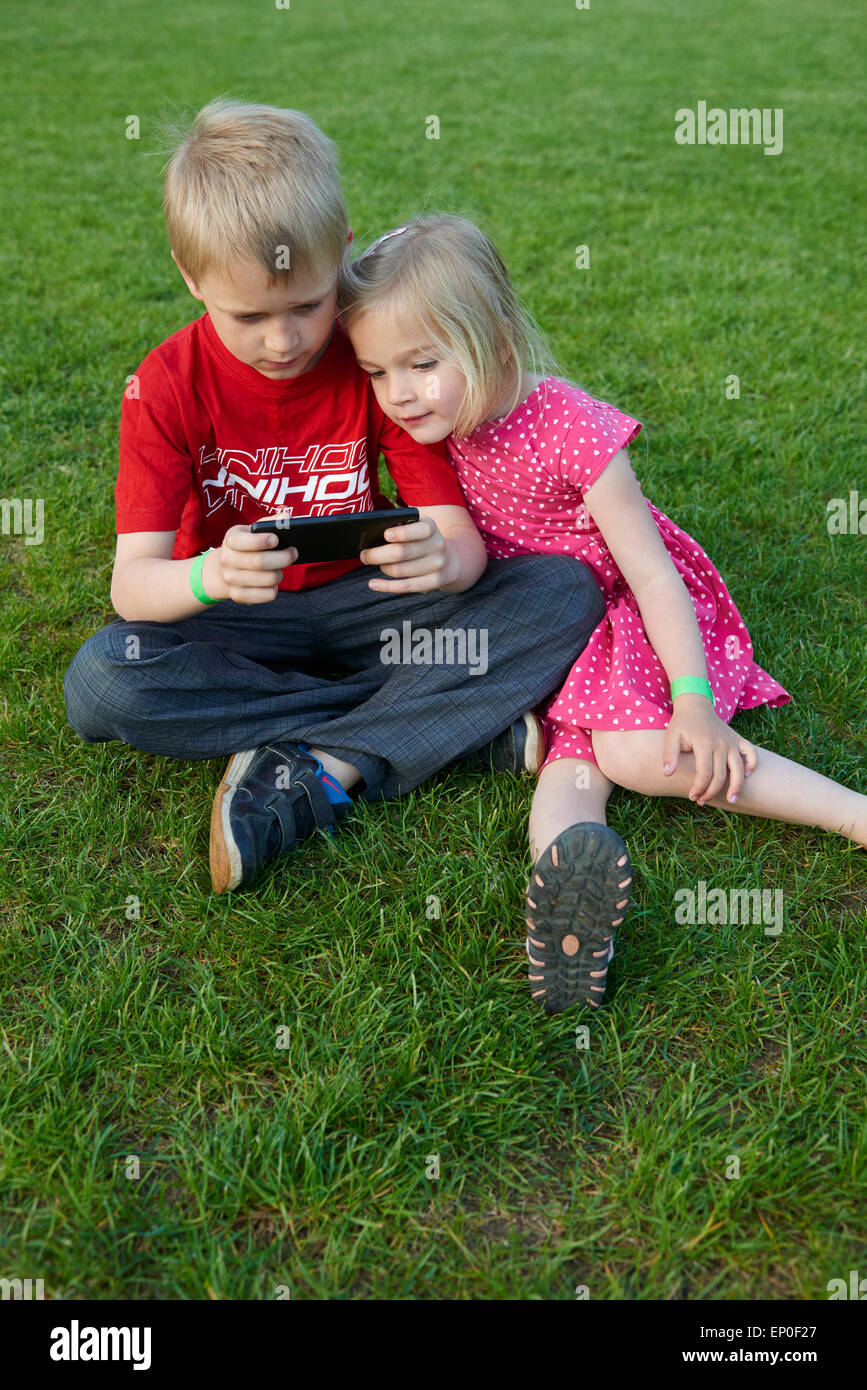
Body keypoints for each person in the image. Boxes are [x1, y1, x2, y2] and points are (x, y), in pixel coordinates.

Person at [63, 102, 607, 898]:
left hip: (372, 608)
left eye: (308, 305)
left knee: (562, 589)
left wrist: (444, 560)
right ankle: (449, 727)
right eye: (248, 315)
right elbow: (132, 586)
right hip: (240, 623)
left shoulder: (370, 358)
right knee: (105, 681)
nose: (282, 341)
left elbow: (461, 543)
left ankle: (321, 759)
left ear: (342, 252)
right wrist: (210, 575)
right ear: (191, 276)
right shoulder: (165, 386)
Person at [337, 212, 867, 1014]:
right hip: (547, 633)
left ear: (497, 342)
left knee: (628, 756)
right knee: (565, 787)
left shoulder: (571, 430)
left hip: (625, 615)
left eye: (421, 363)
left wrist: (693, 702)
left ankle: (851, 814)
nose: (398, 393)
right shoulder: (438, 429)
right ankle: (568, 920)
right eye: (377, 372)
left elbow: (653, 577)